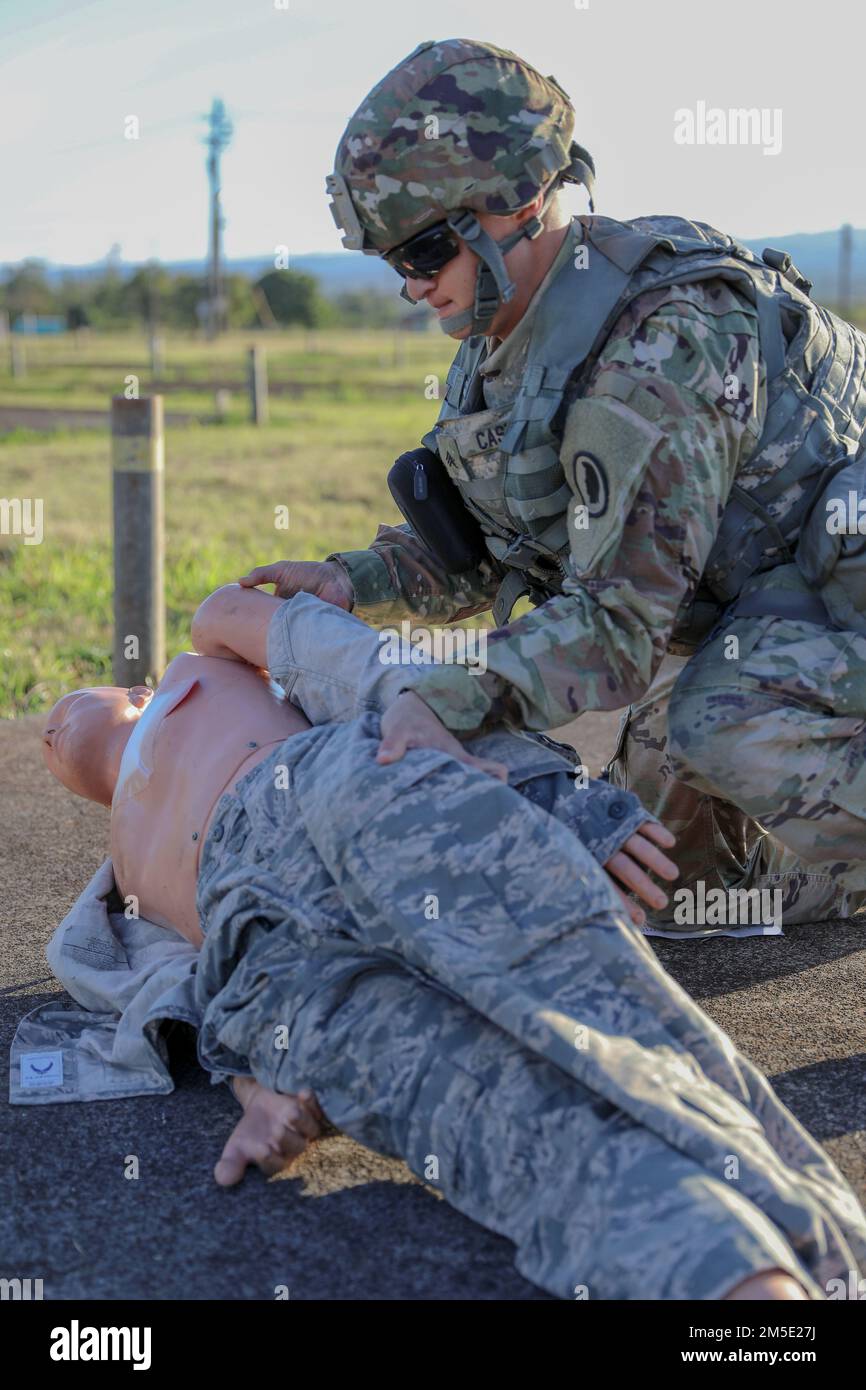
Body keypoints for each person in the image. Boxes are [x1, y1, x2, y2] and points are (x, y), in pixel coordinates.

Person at [41, 582, 866, 1300]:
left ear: (136, 690)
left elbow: (371, 670)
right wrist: (259, 1091)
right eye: (47, 736)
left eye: (69, 698)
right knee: (478, 1111)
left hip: (333, 787)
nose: (52, 728)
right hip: (264, 949)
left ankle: (816, 1251)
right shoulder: (113, 893)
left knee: (593, 1003)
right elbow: (181, 990)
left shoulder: (213, 649)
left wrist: (556, 791)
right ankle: (741, 1286)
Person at [241, 36, 866, 934]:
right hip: (787, 618)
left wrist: (446, 696)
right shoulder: (508, 342)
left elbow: (618, 633)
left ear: (520, 205)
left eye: (423, 252)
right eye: (393, 264)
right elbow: (505, 546)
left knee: (716, 723)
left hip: (838, 606)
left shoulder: (661, 349)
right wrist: (352, 582)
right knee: (664, 882)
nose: (413, 288)